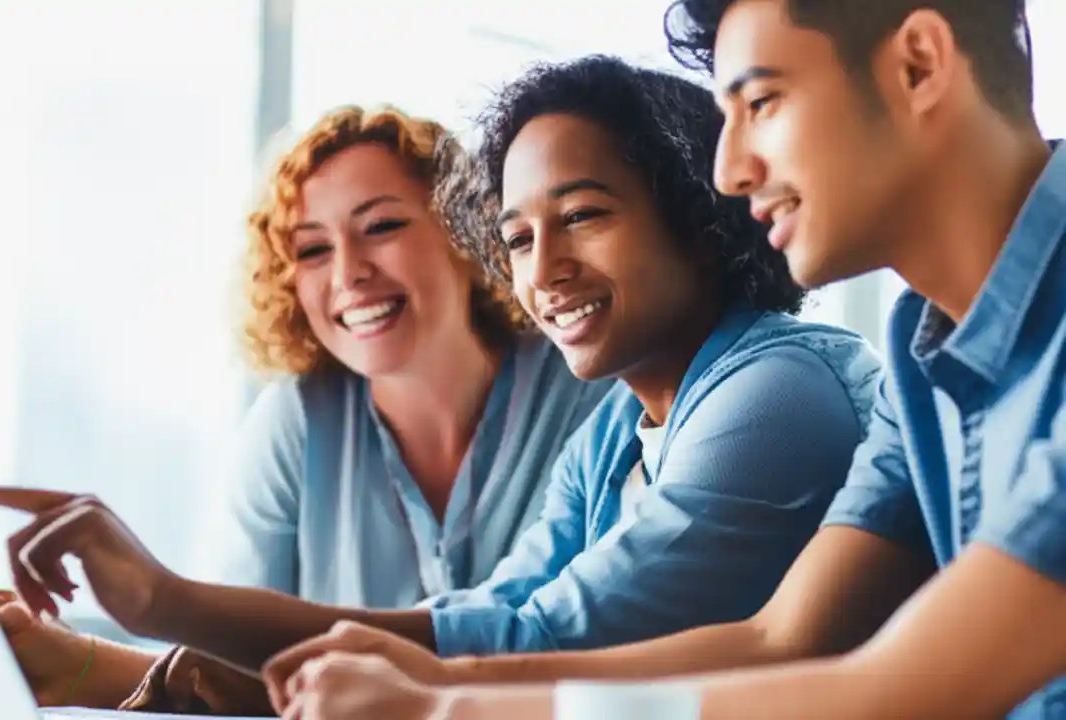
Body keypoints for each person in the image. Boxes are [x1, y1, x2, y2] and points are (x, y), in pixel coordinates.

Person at [0, 56, 881, 713]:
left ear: (700, 216)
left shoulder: (779, 391)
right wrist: (127, 643)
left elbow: (560, 634)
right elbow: (491, 615)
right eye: (518, 237)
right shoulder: (613, 430)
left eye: (583, 216)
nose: (544, 268)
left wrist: (164, 603)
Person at [267, 1, 1066, 718]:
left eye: (762, 102)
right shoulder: (917, 354)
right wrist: (440, 685)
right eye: (516, 238)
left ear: (918, 66)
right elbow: (782, 640)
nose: (728, 172)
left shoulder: (787, 384)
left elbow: (896, 689)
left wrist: (446, 706)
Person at [0, 104, 613, 712]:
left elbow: (574, 649)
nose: (348, 273)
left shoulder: (591, 391)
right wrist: (79, 662)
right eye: (312, 250)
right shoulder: (297, 422)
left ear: (465, 231)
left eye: (381, 227)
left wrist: (96, 658)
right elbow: (225, 676)